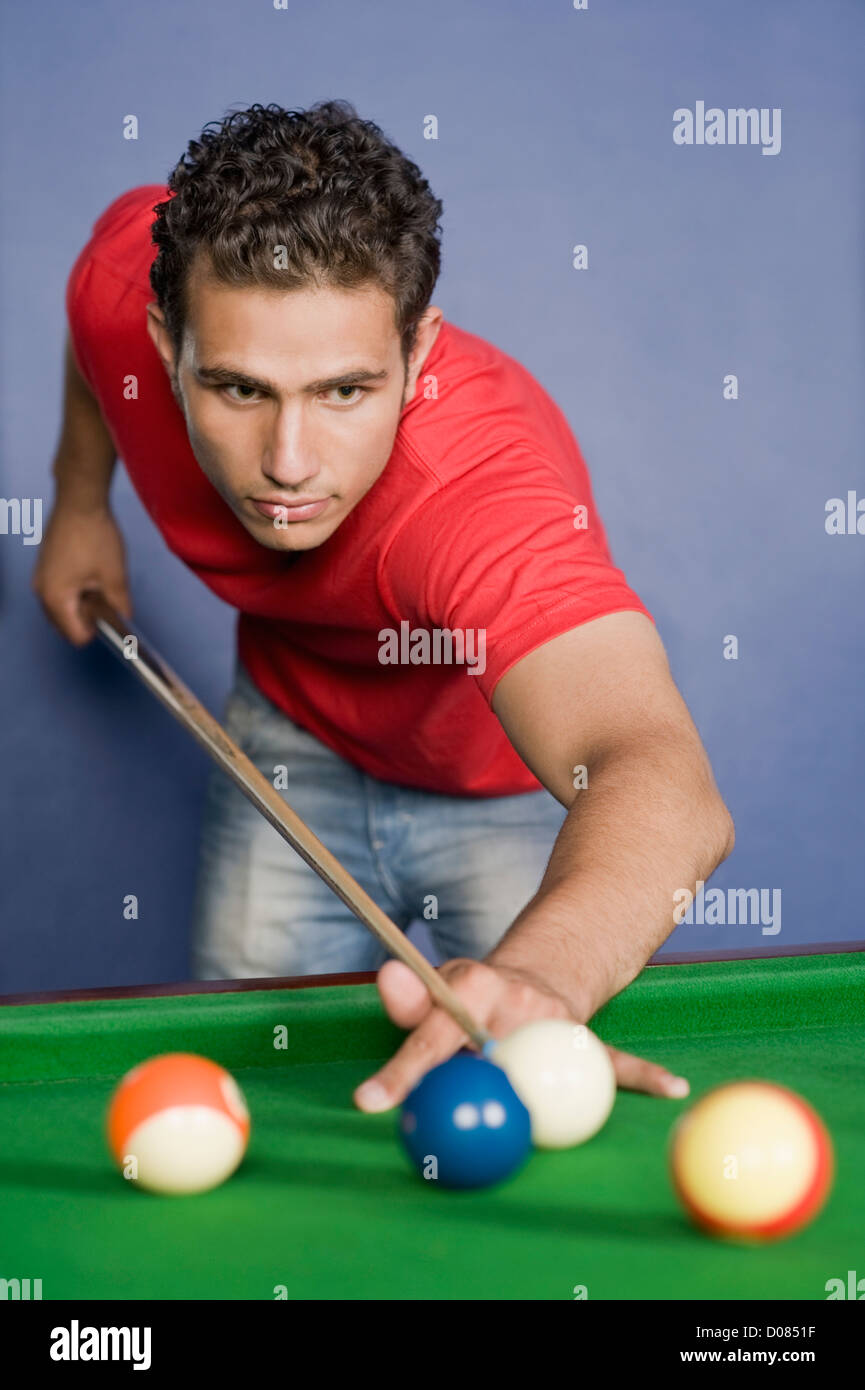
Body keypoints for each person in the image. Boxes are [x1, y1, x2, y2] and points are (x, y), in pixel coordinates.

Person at [34, 100, 734, 1112]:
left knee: (523, 1058)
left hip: (493, 785)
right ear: (163, 340)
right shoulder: (118, 292)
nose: (287, 464)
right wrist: (80, 500)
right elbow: (90, 347)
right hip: (290, 736)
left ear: (419, 349)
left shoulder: (477, 491)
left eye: (344, 392)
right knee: (241, 1095)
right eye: (236, 389)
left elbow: (664, 782)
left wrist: (544, 972)